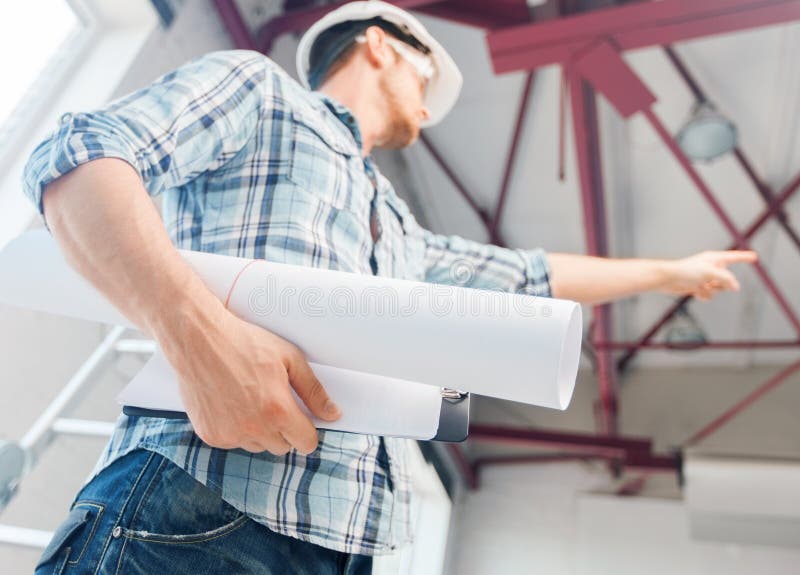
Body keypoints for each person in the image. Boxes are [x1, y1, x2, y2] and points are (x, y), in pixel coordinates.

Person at [23, 1, 756, 573]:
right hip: (196, 506)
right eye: (425, 76)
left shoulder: (400, 231)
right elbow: (78, 160)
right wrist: (194, 332)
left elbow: (534, 276)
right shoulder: (262, 93)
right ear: (379, 44)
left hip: (343, 549)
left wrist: (671, 273)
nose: (430, 104)